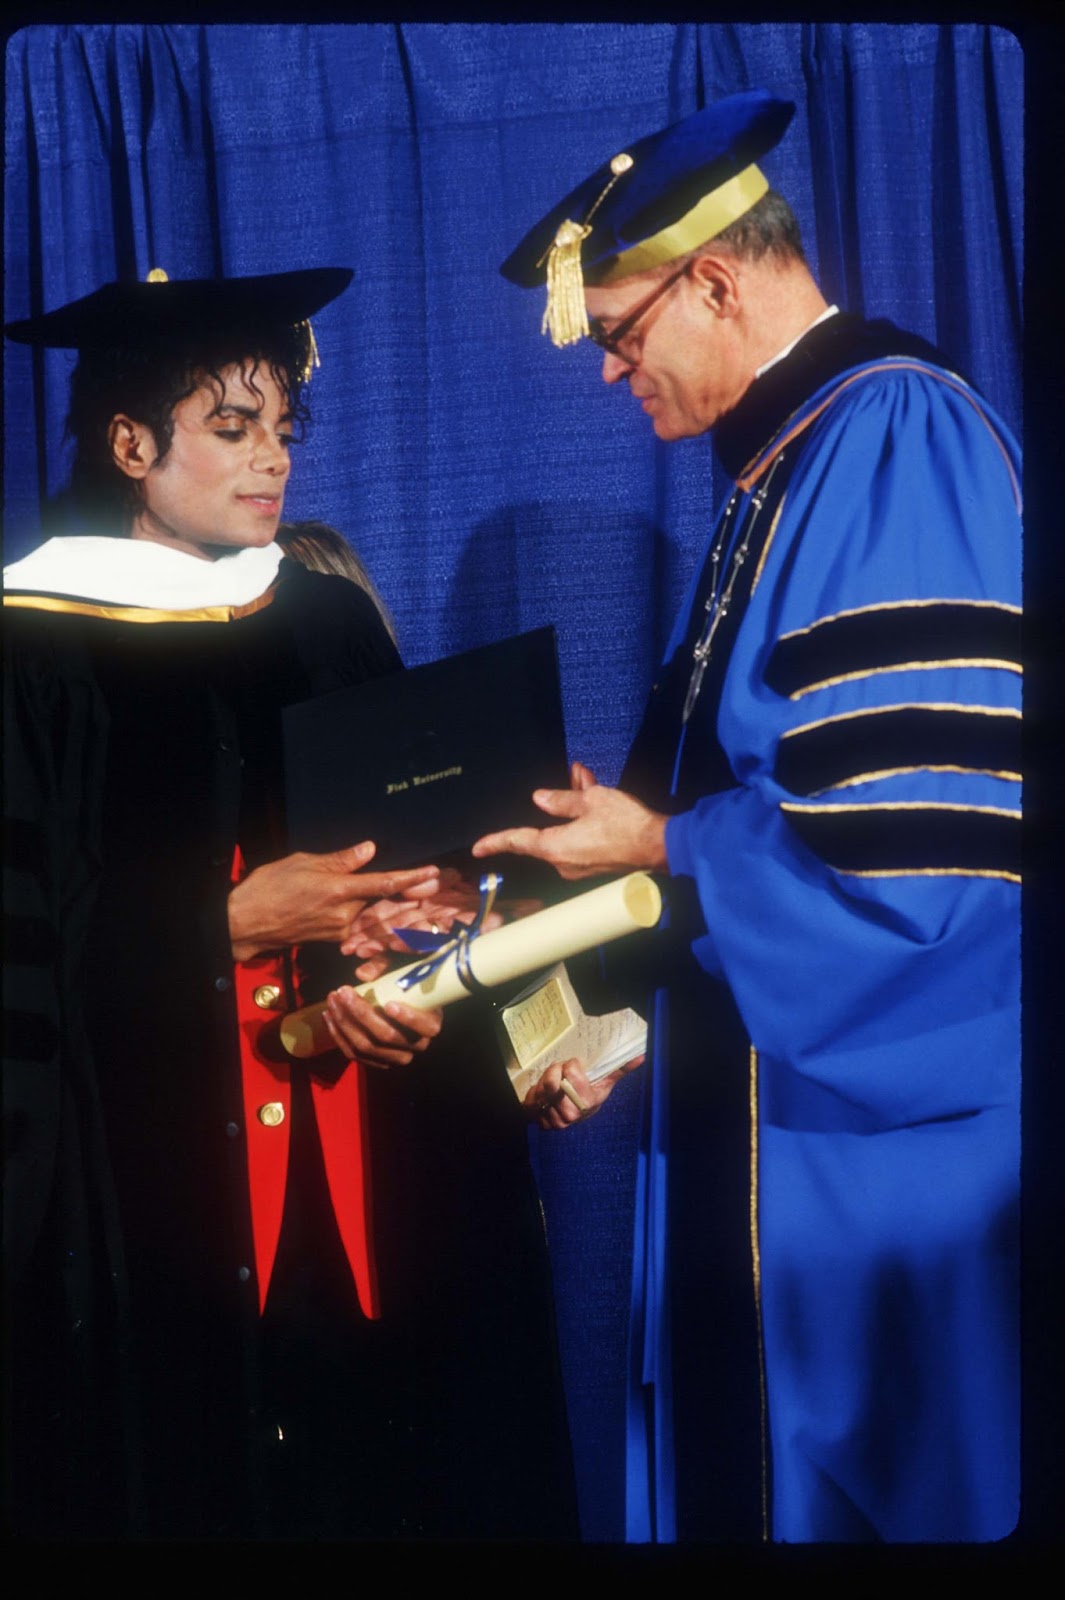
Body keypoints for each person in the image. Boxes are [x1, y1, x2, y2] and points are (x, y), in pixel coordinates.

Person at [474, 89, 1021, 1543]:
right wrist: (618, 1013)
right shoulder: (782, 469)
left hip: (870, 1156)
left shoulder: (895, 434)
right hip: (777, 1109)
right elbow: (761, 805)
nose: (611, 374)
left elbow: (922, 859)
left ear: (715, 281)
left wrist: (659, 844)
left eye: (619, 333)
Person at [3, 267, 577, 1541]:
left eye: (282, 426)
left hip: (367, 1161)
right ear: (129, 445)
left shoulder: (322, 621)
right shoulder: (28, 647)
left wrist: (405, 962)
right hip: (150, 1203)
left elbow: (419, 861)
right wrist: (212, 929)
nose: (274, 458)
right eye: (232, 427)